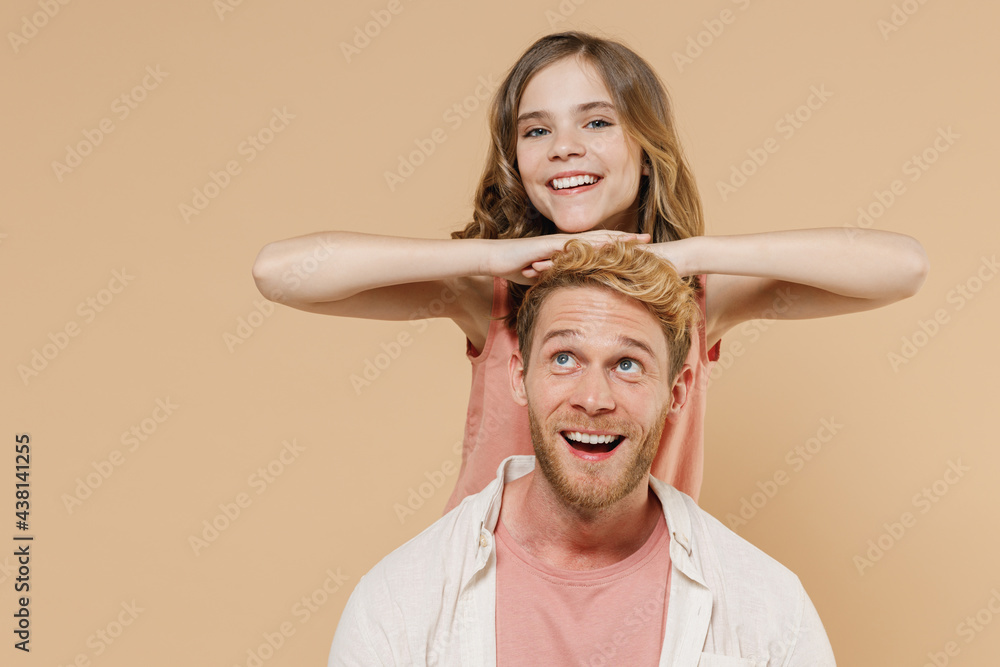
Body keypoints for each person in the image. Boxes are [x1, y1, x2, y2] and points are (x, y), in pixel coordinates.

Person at [252, 31, 928, 511]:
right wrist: (489, 255)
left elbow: (900, 267)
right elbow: (279, 271)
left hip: (641, 600)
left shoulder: (698, 295)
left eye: (597, 122)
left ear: (646, 147)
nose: (564, 147)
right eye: (536, 130)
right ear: (515, 158)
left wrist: (688, 255)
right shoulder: (491, 293)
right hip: (486, 602)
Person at [327, 240, 836, 665]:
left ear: (678, 392)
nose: (593, 399)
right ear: (519, 377)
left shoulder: (771, 610)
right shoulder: (397, 604)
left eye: (628, 364)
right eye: (565, 358)